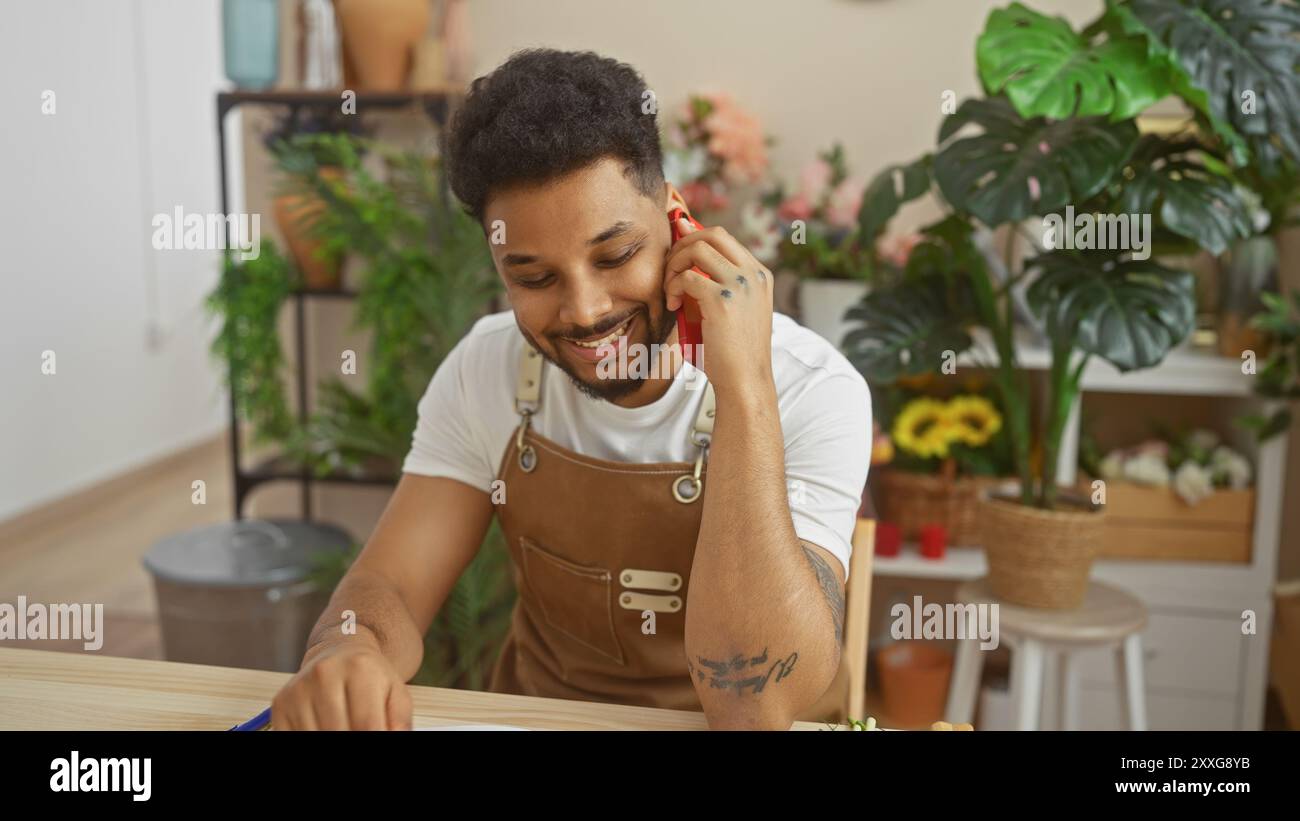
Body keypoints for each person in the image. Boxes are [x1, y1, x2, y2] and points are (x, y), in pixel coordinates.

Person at [271, 48, 872, 730]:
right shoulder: (486, 371)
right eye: (533, 277)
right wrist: (348, 646)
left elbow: (752, 702)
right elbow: (392, 587)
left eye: (615, 256)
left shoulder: (811, 390)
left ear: (678, 220)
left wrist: (744, 388)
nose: (584, 310)